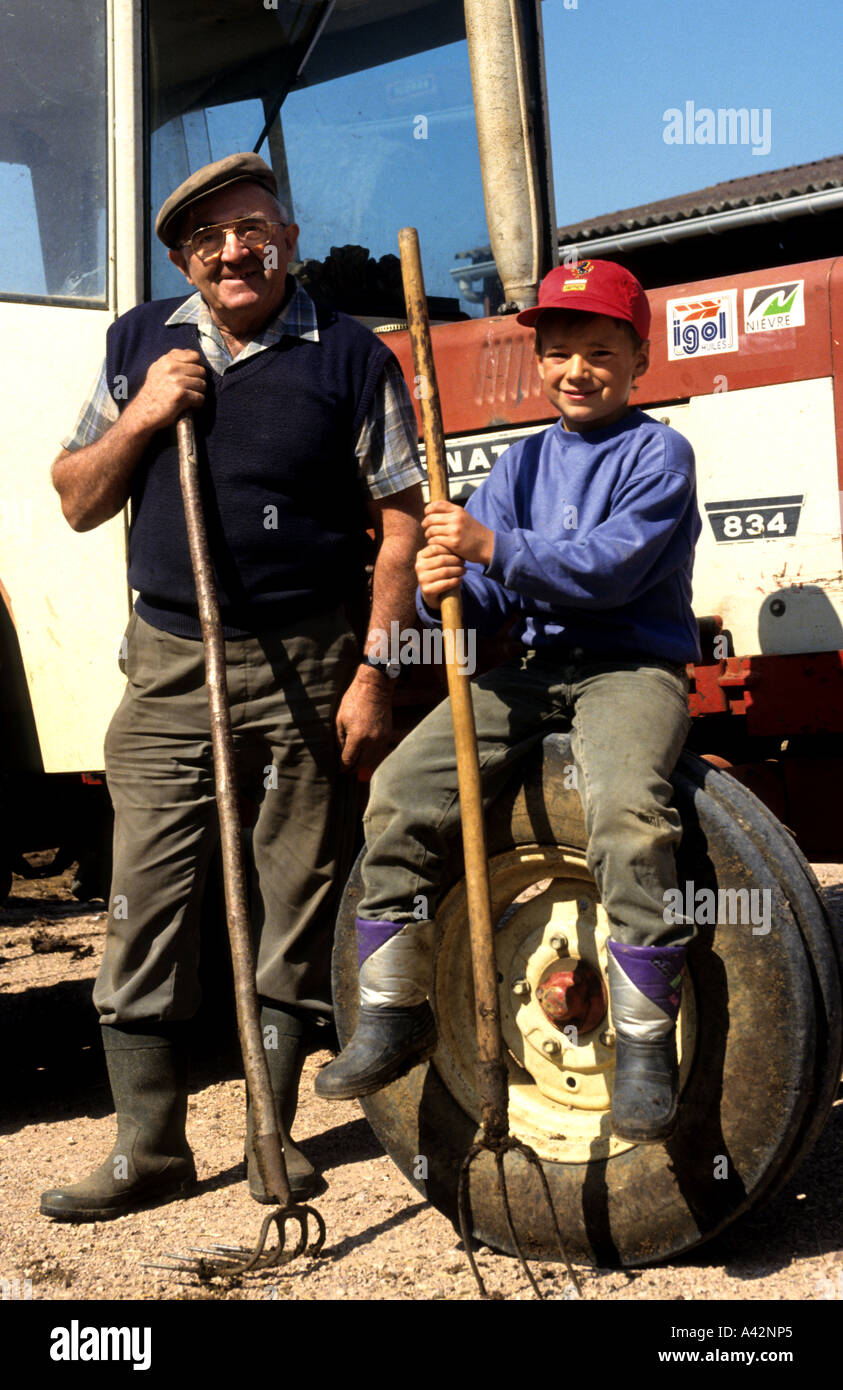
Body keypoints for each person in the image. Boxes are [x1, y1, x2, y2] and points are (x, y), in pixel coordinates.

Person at [41, 153, 424, 1220]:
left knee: (293, 895)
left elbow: (399, 520)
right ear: (182, 261)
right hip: (171, 659)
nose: (234, 250)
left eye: (254, 227)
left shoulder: (350, 356)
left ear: (289, 239)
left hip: (308, 657)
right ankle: (146, 1148)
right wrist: (147, 412)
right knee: (147, 898)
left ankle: (272, 1131)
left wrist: (378, 671)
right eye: (208, 238)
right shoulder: (138, 342)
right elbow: (75, 494)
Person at [315, 259, 702, 1143]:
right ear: (538, 361)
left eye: (600, 352)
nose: (577, 370)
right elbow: (484, 603)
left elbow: (609, 571)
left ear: (638, 360)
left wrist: (491, 546)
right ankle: (394, 1007)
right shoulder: (519, 464)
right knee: (399, 792)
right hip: (530, 671)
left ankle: (644, 1043)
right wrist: (436, 581)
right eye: (559, 352)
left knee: (627, 813)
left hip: (628, 668)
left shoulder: (657, 454)